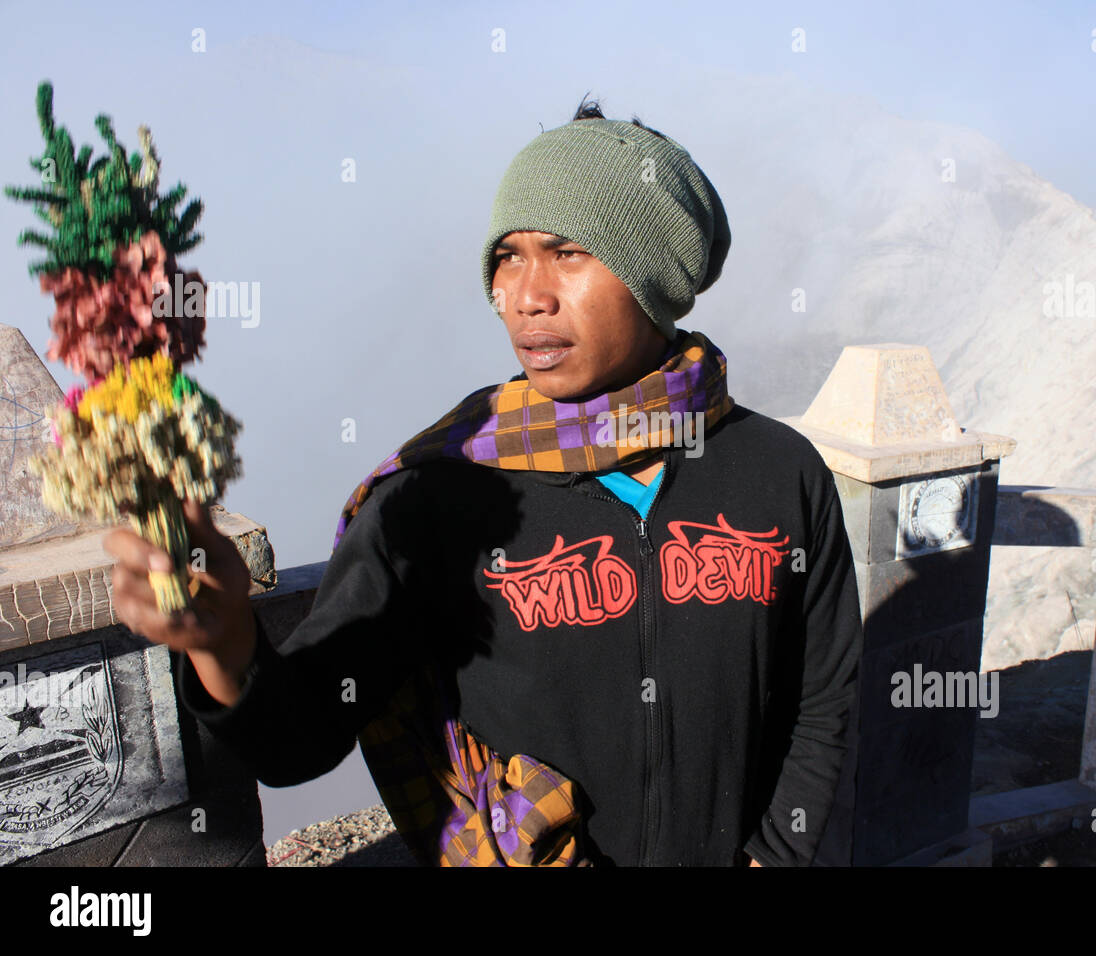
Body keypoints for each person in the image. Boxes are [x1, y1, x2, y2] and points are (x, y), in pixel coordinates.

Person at [104, 97, 863, 867]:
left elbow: (823, 696)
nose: (524, 293)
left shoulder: (778, 474)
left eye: (567, 252)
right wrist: (227, 649)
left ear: (656, 276)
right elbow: (299, 737)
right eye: (508, 255)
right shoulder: (438, 500)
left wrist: (775, 855)